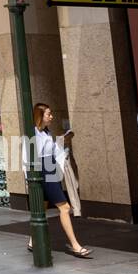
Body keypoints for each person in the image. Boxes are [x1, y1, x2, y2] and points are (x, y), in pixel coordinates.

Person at [29, 104, 91, 257]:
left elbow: (50, 150)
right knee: (65, 208)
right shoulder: (33, 132)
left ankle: (32, 240)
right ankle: (75, 245)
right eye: (48, 114)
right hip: (44, 170)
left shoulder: (46, 131)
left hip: (49, 168)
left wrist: (63, 140)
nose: (51, 117)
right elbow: (32, 154)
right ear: (40, 116)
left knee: (42, 208)